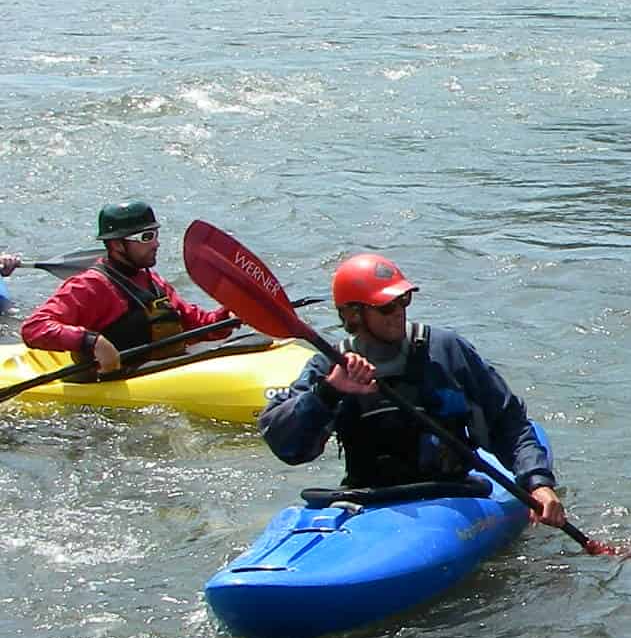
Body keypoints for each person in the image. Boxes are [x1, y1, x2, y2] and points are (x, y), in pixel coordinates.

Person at [259, 253, 565, 526]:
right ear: (353, 314)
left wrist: (537, 482)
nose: (398, 312)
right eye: (387, 306)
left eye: (404, 301)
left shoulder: (446, 350)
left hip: (453, 496)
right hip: (371, 503)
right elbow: (286, 446)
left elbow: (508, 423)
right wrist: (328, 392)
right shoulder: (329, 367)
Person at [20, 200, 233, 374]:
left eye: (155, 234)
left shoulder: (152, 281)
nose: (156, 243)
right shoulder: (90, 286)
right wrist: (91, 342)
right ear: (117, 244)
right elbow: (34, 328)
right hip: (116, 385)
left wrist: (231, 314)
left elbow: (201, 327)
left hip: (163, 372)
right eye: (146, 237)